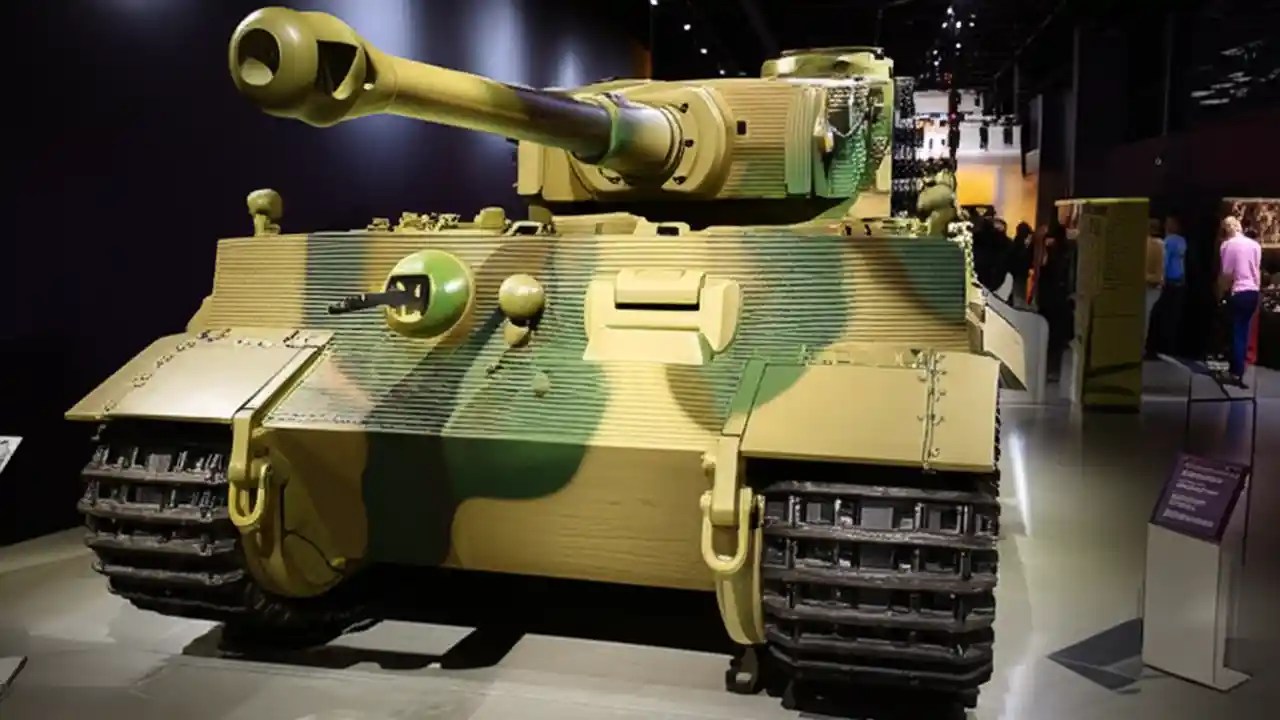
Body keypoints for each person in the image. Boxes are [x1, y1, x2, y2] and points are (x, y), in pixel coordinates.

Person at [1218, 216, 1262, 386]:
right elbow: (1256, 270)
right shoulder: (1255, 245)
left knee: (1236, 332)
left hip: (1239, 291)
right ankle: (1239, 367)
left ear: (1227, 228)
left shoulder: (1227, 246)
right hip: (1253, 292)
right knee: (1244, 331)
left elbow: (1227, 273)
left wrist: (1221, 294)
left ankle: (1236, 372)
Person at [1039, 223, 1074, 381]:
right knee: (1056, 339)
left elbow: (1045, 276)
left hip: (1050, 301)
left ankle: (1048, 369)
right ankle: (1053, 370)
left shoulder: (1052, 254)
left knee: (1050, 337)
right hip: (1059, 300)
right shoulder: (1069, 253)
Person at [1155, 215, 1188, 355]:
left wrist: (1161, 279)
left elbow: (1164, 262)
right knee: (1174, 315)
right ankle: (1172, 345)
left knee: (1164, 314)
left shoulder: (1167, 242)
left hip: (1169, 280)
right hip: (1180, 280)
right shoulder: (1182, 241)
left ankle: (1162, 346)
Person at [1144, 219, 1165, 357]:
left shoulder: (1142, 243)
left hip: (1143, 284)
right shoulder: (1161, 245)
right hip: (1155, 285)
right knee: (1148, 318)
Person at [1007, 222, 1033, 307]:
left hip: (1015, 272)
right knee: (1019, 294)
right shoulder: (1021, 245)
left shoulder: (1014, 243)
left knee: (1016, 292)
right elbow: (1023, 259)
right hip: (1020, 273)